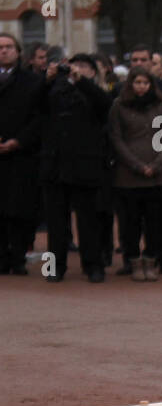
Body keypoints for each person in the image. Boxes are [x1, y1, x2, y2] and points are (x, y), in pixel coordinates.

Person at [36, 53, 112, 282]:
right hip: (55, 163)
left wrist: (82, 81)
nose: (76, 69)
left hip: (85, 163)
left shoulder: (93, 91)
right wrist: (46, 79)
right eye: (74, 66)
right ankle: (54, 267)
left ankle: (93, 265)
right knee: (56, 221)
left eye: (84, 66)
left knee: (88, 219)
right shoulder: (54, 89)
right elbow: (35, 105)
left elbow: (105, 105)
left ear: (93, 71)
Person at [108, 66, 162, 282]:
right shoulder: (119, 105)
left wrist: (156, 164)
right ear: (130, 84)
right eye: (137, 82)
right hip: (128, 175)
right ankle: (133, 260)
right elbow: (116, 138)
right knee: (130, 223)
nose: (141, 87)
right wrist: (137, 165)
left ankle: (151, 260)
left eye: (145, 83)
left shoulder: (160, 104)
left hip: (157, 174)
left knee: (155, 222)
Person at [0, 33, 43, 275]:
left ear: (17, 51)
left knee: (20, 210)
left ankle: (17, 257)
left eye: (8, 47)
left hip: (22, 154)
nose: (3, 51)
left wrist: (19, 141)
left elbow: (39, 118)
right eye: (0, 48)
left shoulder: (32, 81)